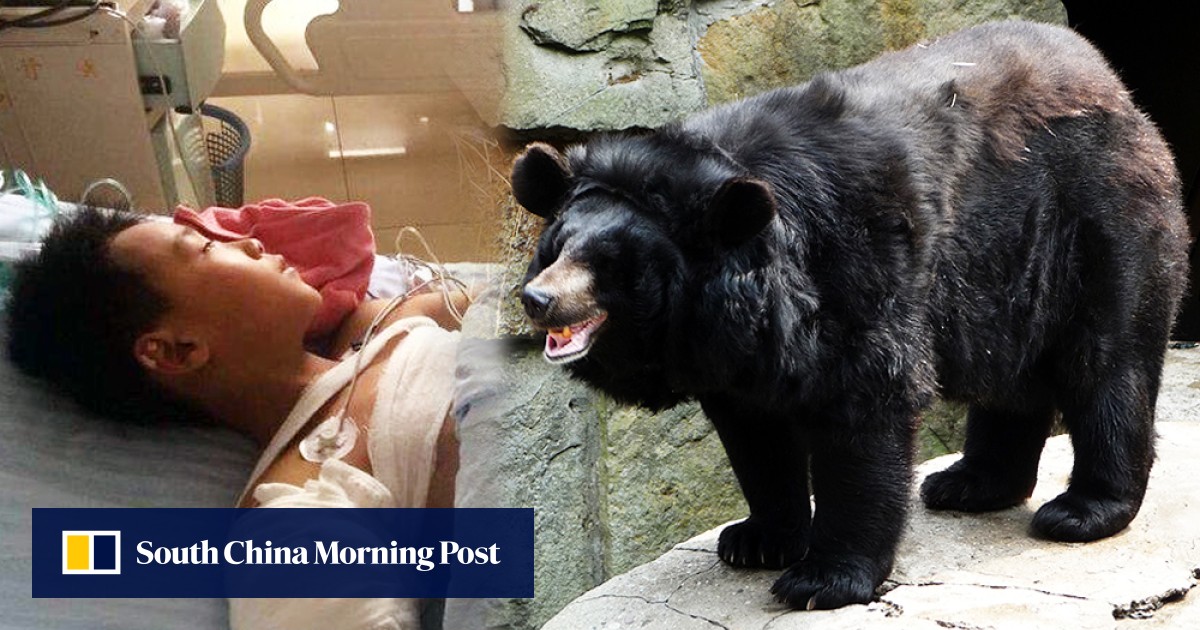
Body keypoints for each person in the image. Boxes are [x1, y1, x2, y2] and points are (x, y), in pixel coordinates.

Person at [6, 206, 471, 628]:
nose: (248, 242)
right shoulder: (294, 511)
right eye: (206, 247)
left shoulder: (380, 323)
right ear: (176, 350)